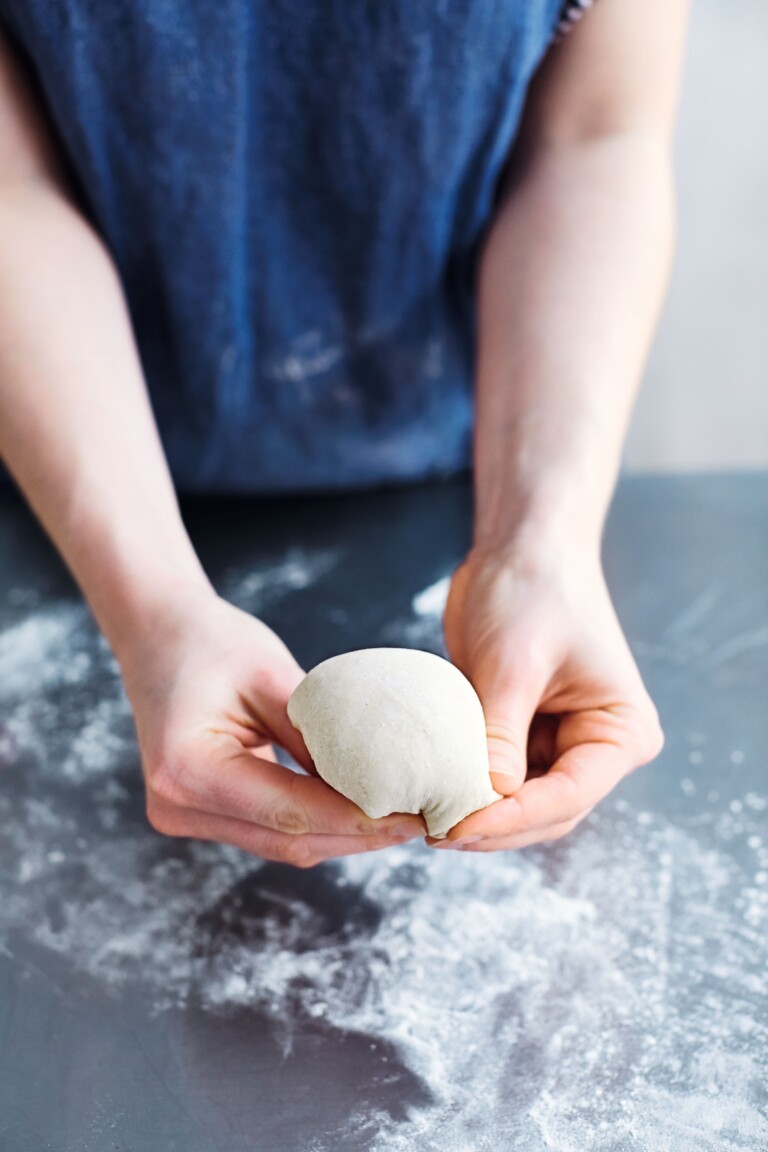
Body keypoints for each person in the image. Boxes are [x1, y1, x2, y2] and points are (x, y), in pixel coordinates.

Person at [0, 0, 689, 865]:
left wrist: (539, 539)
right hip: (77, 452)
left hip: (479, 453)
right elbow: (9, 193)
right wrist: (153, 606)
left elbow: (594, 140)